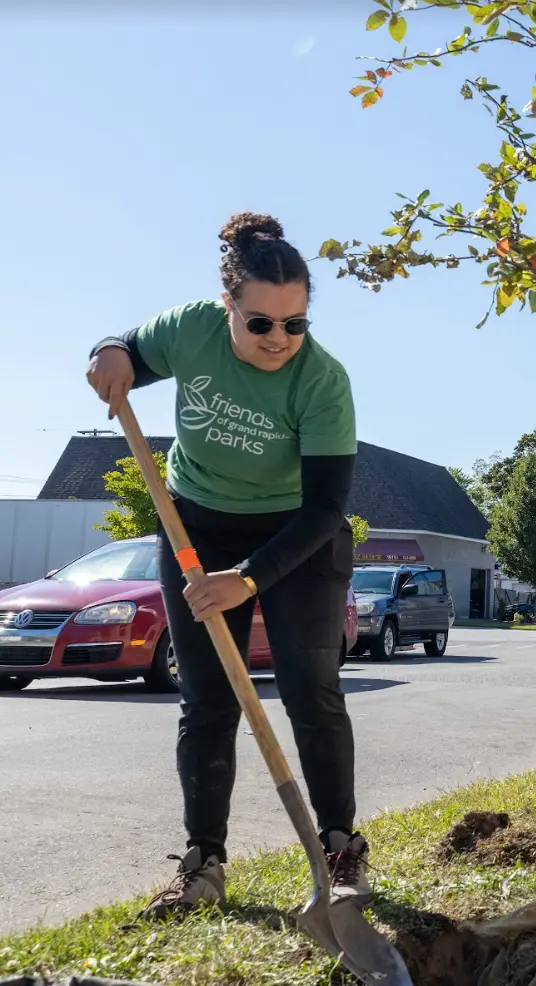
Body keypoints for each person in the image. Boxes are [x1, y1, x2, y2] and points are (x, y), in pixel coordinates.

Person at [85, 212, 371, 918]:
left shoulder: (323, 382)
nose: (279, 340)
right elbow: (125, 349)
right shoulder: (191, 329)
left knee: (312, 691)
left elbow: (325, 510)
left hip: (295, 537)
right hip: (198, 526)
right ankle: (203, 862)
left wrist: (246, 579)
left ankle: (339, 851)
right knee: (208, 702)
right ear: (228, 309)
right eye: (261, 324)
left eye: (295, 324)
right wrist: (110, 351)